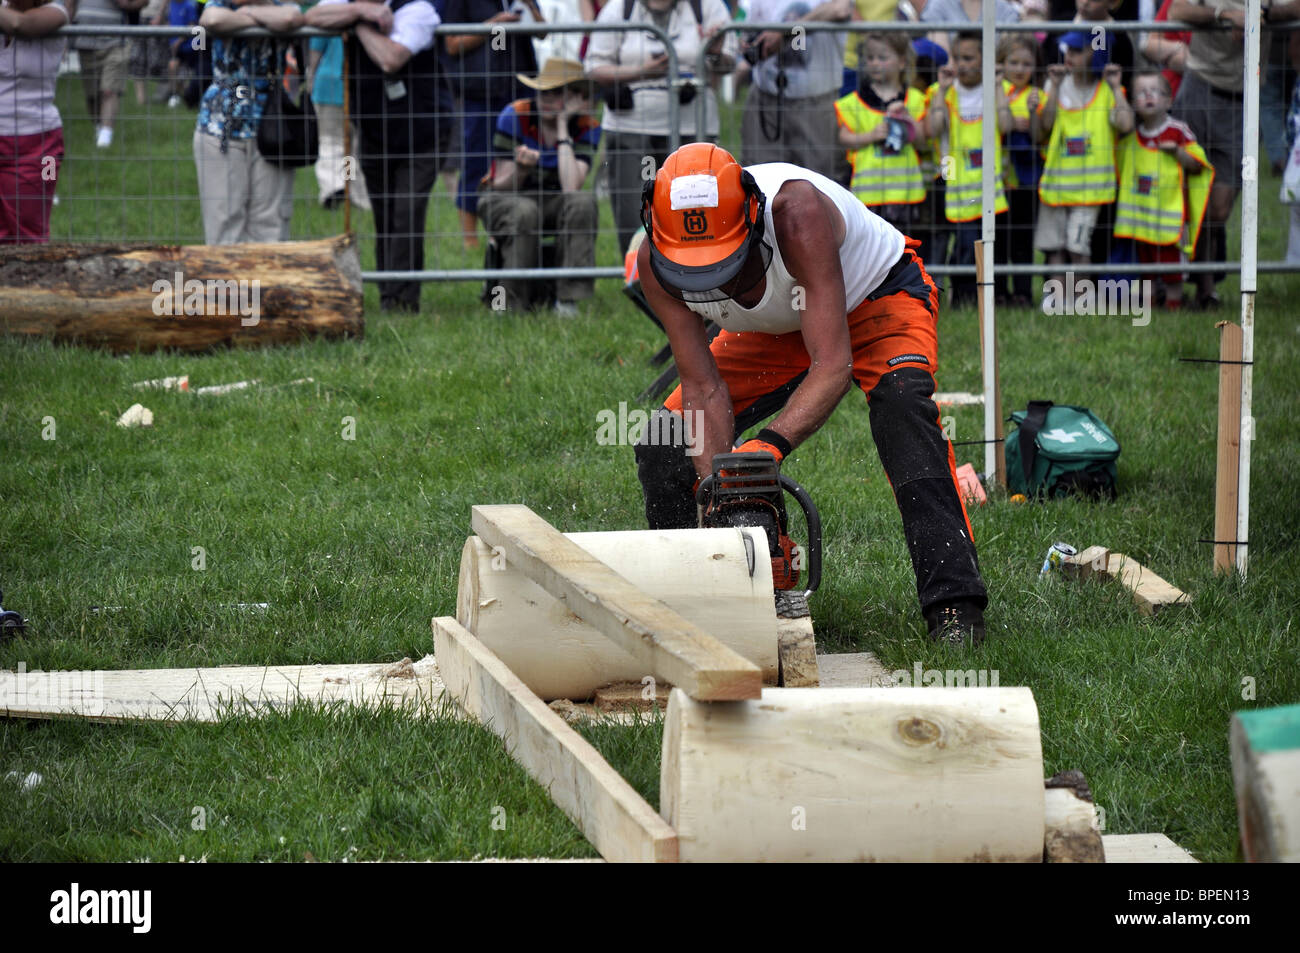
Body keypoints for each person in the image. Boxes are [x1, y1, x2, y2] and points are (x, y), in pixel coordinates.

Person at [633, 142, 989, 644]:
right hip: (771, 328)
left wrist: (769, 446)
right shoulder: (654, 262)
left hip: (873, 296)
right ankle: (694, 598)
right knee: (665, 440)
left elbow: (832, 364)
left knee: (902, 406)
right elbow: (701, 384)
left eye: (724, 264)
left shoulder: (797, 213)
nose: (716, 281)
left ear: (753, 218)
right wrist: (719, 485)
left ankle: (955, 608)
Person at [307, 0, 453, 313]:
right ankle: (390, 293)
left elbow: (391, 59)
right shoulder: (352, 6)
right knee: (385, 214)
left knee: (407, 211)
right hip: (375, 134)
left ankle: (403, 299)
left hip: (424, 134)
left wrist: (356, 25)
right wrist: (359, 13)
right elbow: (312, 16)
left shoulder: (418, 10)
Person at [1167, 0, 1300, 308]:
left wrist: (1259, 15)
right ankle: (1196, 288)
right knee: (1179, 195)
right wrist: (1224, 15)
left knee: (1219, 207)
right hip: (1197, 88)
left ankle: (1203, 280)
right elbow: (1177, 12)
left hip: (1242, 101)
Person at [585, 0, 737, 254]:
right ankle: (640, 285)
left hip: (694, 130)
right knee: (633, 217)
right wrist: (642, 71)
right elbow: (593, 68)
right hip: (630, 129)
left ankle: (696, 281)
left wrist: (714, 52)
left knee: (694, 214)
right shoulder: (618, 9)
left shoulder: (707, 7)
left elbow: (729, 64)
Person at [478, 57, 602, 314]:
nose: (545, 99)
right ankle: (510, 303)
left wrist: (561, 128)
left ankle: (568, 301)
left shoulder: (586, 126)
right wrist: (521, 170)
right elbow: (499, 186)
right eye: (542, 91)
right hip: (505, 196)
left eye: (556, 93)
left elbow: (571, 188)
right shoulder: (515, 115)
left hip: (554, 199)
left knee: (583, 202)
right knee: (524, 211)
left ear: (576, 98)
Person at [192, 0, 304, 246]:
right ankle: (232, 285)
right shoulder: (219, 4)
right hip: (219, 127)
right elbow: (211, 20)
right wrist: (263, 19)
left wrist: (248, 13)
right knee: (224, 224)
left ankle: (266, 285)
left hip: (274, 127)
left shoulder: (284, 5)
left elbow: (290, 19)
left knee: (270, 226)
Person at [1032, 31, 1134, 299]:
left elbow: (1125, 125)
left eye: (1078, 51)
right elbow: (1045, 126)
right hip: (1057, 185)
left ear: (1096, 54)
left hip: (1090, 190)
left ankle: (1080, 301)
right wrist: (1052, 88)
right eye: (1069, 50)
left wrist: (1115, 87)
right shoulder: (1056, 86)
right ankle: (1056, 300)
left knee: (1078, 247)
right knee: (1054, 247)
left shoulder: (1106, 92)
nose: (1069, 56)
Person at [441, 0, 544, 251]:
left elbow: (543, 32)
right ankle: (470, 241)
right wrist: (493, 25)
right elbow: (452, 45)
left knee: (523, 159)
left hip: (522, 89)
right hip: (481, 92)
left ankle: (514, 230)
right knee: (476, 162)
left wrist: (531, 8)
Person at [925, 30, 1011, 307]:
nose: (962, 64)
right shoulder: (943, 93)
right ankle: (961, 297)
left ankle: (992, 295)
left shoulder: (999, 90)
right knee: (963, 246)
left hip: (991, 186)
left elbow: (1007, 126)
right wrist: (941, 90)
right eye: (957, 57)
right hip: (957, 187)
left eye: (969, 58)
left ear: (985, 59)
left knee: (993, 244)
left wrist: (997, 85)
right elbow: (933, 129)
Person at [1114, 71, 1211, 309]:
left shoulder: (1178, 131)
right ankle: (1150, 306)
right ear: (1133, 103)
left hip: (1173, 220)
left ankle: (1173, 306)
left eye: (1154, 92)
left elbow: (1199, 166)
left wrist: (1178, 153)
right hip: (1142, 219)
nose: (1148, 97)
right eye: (1140, 93)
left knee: (1171, 269)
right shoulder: (1132, 137)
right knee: (1146, 267)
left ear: (1169, 100)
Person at [737, 0, 850, 184]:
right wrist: (749, 43)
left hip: (816, 104)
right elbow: (749, 28)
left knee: (822, 185)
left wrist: (785, 31)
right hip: (765, 100)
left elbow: (840, 8)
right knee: (760, 181)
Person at [834, 32, 926, 234]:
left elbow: (922, 140)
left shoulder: (915, 99)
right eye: (870, 58)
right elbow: (844, 138)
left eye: (882, 58)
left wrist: (908, 120)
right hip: (868, 195)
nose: (875, 63)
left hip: (905, 194)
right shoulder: (853, 102)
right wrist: (871, 135)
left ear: (902, 62)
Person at [0, 0, 69, 243]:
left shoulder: (57, 11)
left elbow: (20, 24)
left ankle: (31, 281)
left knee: (30, 231)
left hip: (39, 144)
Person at [998, 33, 1042, 306]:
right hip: (999, 181)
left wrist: (1033, 115)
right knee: (999, 238)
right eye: (1013, 62)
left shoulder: (1036, 95)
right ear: (1001, 63)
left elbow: (1040, 136)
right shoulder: (994, 91)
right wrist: (1013, 122)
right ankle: (1000, 291)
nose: (1019, 69)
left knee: (1023, 239)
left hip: (1025, 182)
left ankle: (1023, 292)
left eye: (1026, 63)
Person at [306, 32, 372, 210]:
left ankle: (333, 187)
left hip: (328, 86)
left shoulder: (327, 9)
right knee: (351, 148)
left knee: (329, 141)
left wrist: (310, 79)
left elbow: (315, 52)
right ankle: (355, 192)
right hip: (358, 88)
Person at [74, 0, 147, 148]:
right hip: (85, 43)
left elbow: (140, 3)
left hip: (116, 41)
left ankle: (105, 140)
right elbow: (69, 7)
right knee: (92, 96)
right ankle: (99, 129)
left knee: (109, 91)